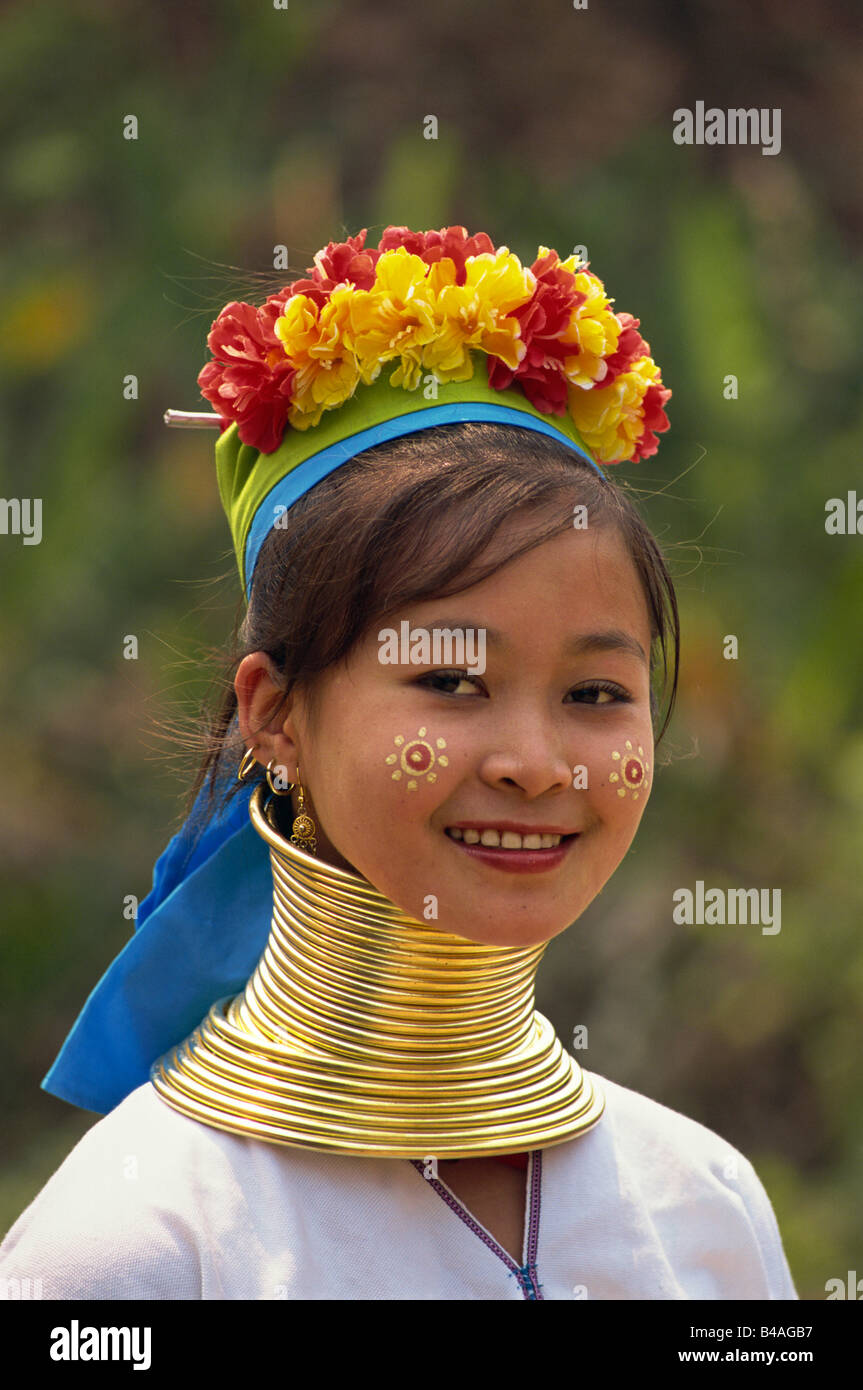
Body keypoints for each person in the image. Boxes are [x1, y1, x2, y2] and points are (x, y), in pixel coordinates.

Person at [0, 224, 797, 1300]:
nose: (533, 762)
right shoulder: (135, 1248)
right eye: (449, 682)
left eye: (594, 694)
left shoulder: (703, 1208)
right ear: (275, 715)